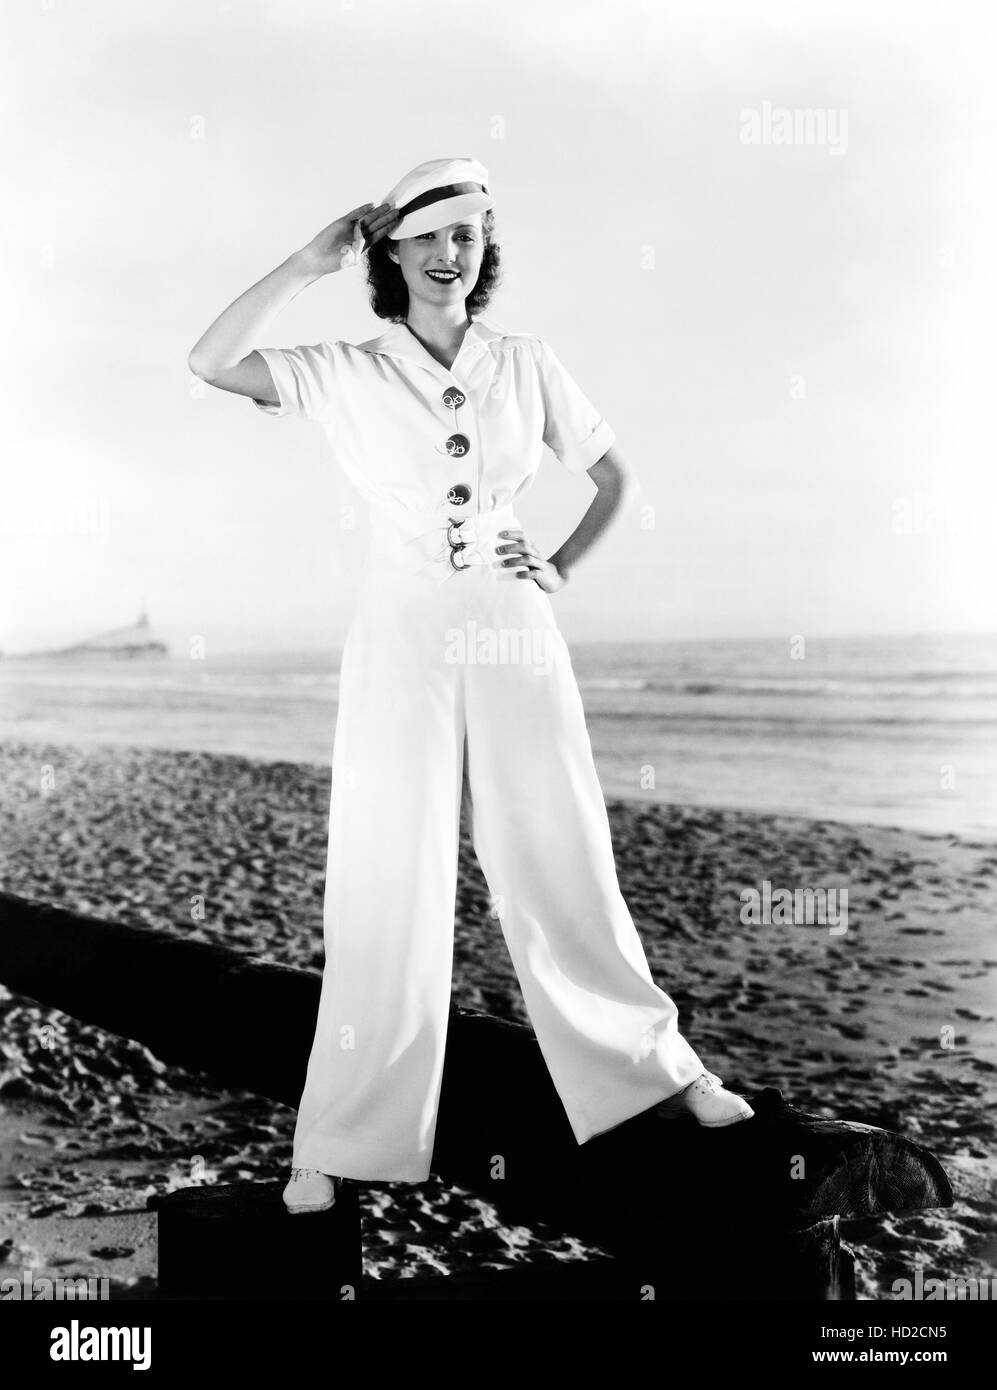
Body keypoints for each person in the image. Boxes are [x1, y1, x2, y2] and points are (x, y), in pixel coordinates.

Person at [187, 156, 754, 1216]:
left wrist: (561, 563)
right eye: (433, 237)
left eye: (471, 236)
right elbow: (209, 360)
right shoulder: (346, 368)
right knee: (380, 877)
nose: (455, 256)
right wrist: (308, 263)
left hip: (512, 627)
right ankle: (339, 1141)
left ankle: (658, 1073)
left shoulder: (527, 361)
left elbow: (614, 478)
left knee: (560, 847)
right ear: (390, 252)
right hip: (398, 633)